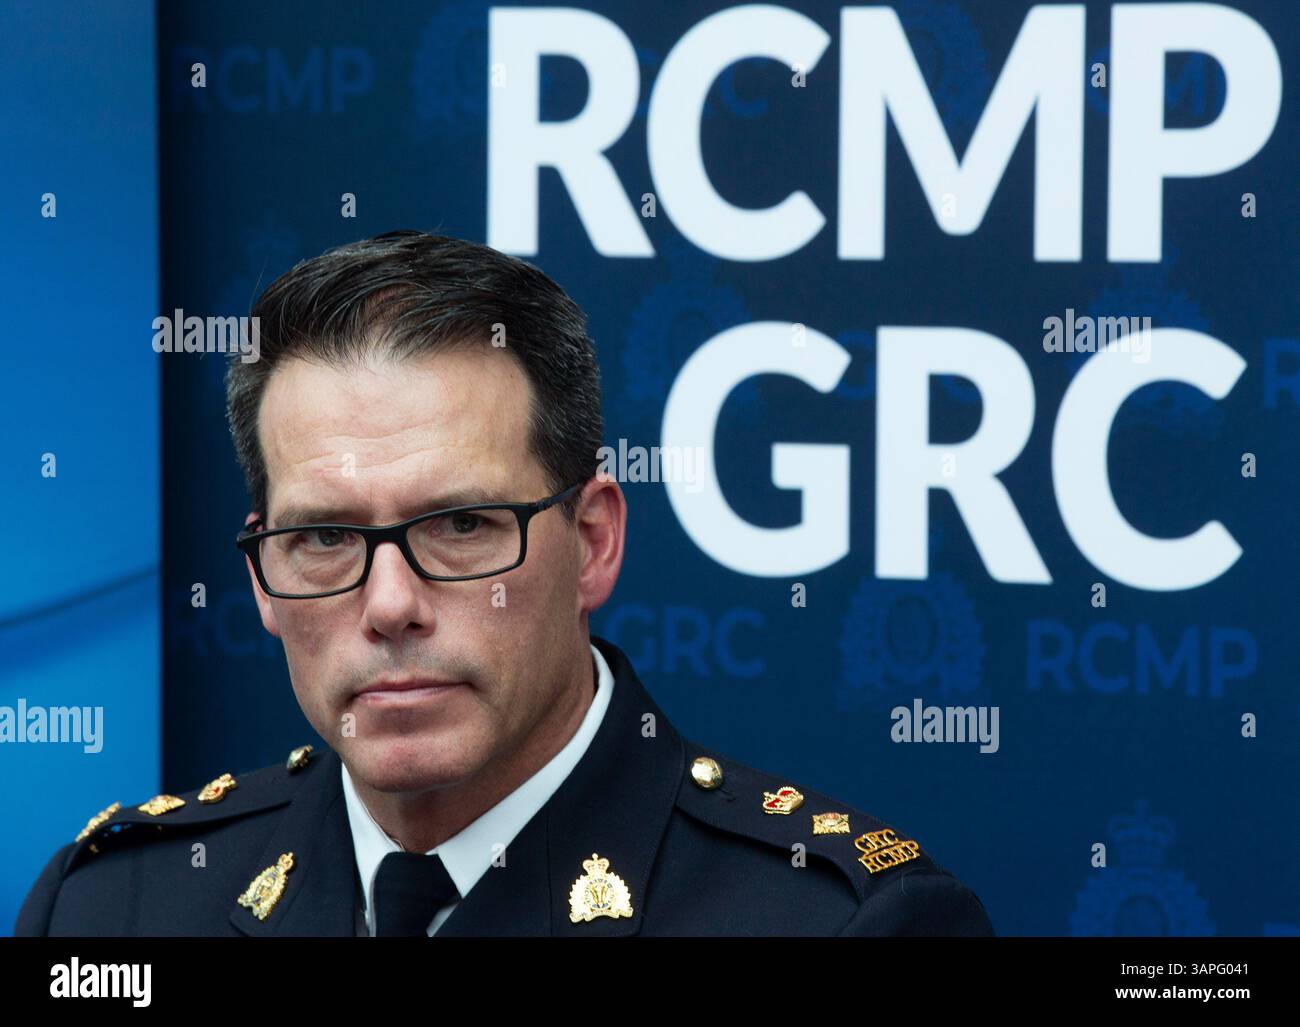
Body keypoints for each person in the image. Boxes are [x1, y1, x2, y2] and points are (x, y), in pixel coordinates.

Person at [15, 231, 993, 937]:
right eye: (321, 536)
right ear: (262, 580)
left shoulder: (836, 921)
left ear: (594, 541)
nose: (390, 602)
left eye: (461, 525)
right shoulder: (109, 910)